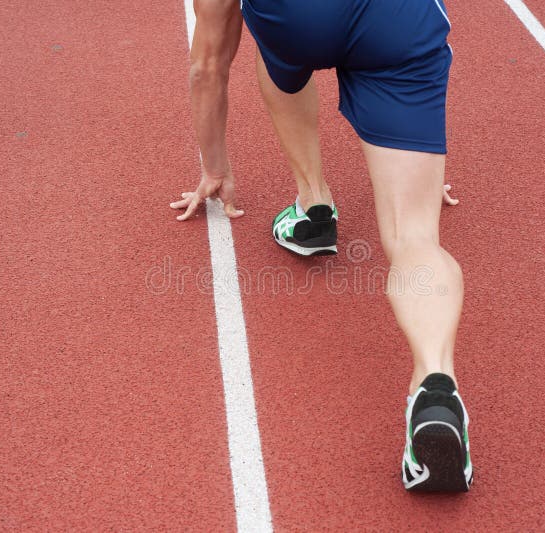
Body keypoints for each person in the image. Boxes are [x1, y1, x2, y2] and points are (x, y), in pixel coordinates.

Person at [172, 0, 471, 492]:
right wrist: (421, 161)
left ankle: (314, 204)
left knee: (276, 56)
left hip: (297, 20)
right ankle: (436, 385)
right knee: (414, 236)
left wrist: (215, 168)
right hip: (397, 22)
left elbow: (207, 64)